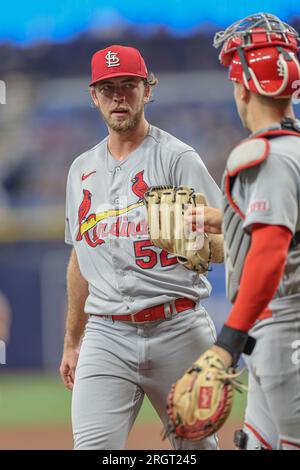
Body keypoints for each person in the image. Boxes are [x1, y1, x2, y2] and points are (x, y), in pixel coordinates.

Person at [59, 44, 222, 450]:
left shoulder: (178, 158)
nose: (118, 96)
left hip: (178, 327)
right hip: (106, 333)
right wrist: (72, 340)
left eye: (129, 85)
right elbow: (80, 256)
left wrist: (198, 239)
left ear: (148, 90)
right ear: (93, 96)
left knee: (196, 450)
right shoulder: (80, 170)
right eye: (108, 87)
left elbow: (225, 244)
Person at [186, 12, 300, 450]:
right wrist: (226, 220)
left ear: (243, 87)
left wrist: (227, 341)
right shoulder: (292, 150)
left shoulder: (263, 155)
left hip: (284, 325)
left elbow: (270, 254)